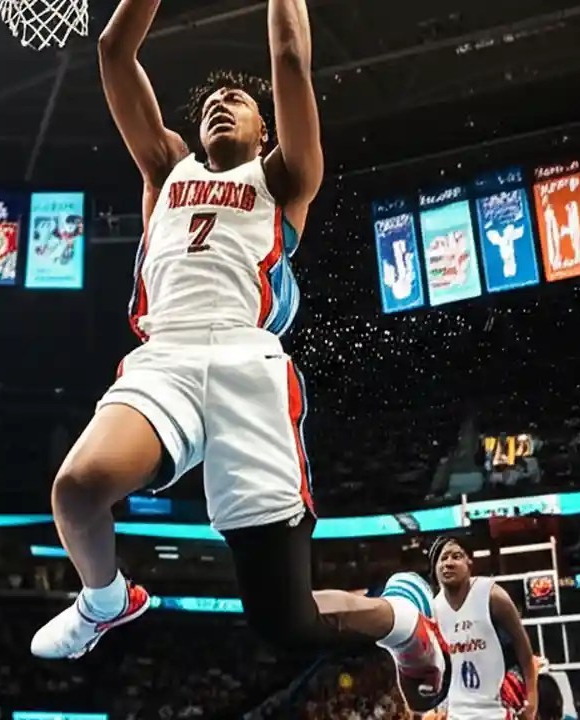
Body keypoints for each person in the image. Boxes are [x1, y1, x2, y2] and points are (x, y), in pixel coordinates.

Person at [27, 0, 450, 711]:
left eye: (239, 101)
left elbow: (289, 56)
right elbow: (113, 51)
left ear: (266, 130)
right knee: (75, 490)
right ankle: (104, 599)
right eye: (212, 103)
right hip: (166, 356)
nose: (222, 103)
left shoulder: (284, 177)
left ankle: (404, 621)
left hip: (246, 368)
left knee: (286, 622)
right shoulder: (165, 167)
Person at [430, 536, 539, 720]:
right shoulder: (433, 609)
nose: (448, 563)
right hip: (456, 713)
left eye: (456, 556)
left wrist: (532, 701)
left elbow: (525, 652)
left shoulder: (492, 595)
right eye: (443, 558)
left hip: (495, 710)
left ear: (469, 563)